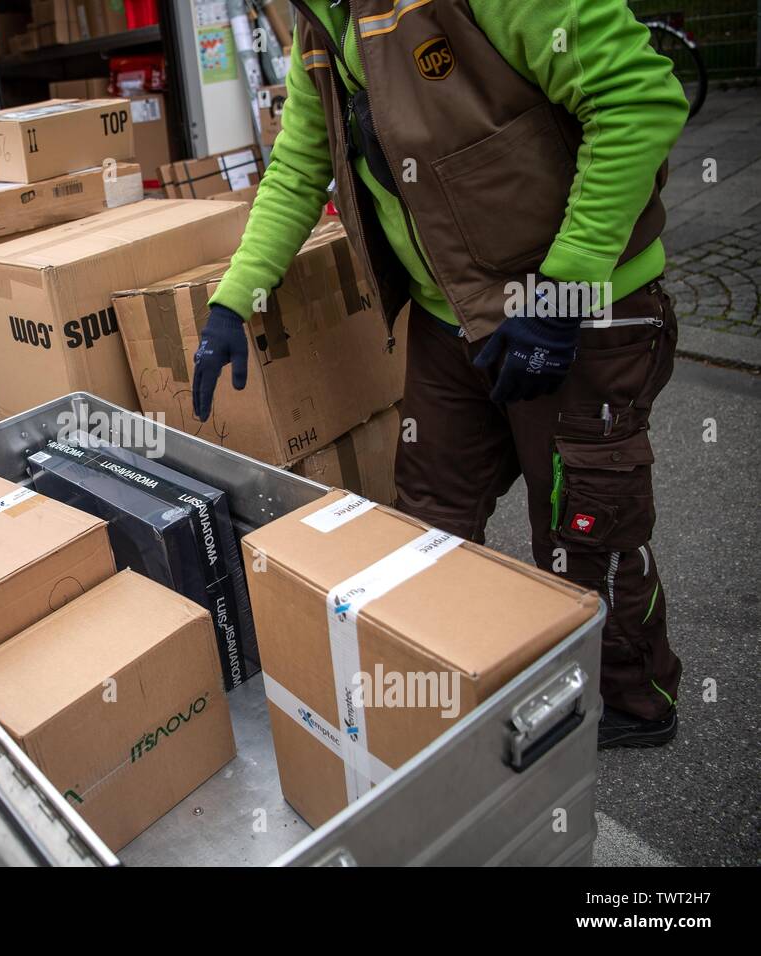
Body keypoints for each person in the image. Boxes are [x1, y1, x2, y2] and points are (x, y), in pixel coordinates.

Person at [192, 0, 687, 748]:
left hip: (582, 308)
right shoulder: (323, 24)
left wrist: (562, 292)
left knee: (584, 528)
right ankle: (451, 682)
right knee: (428, 521)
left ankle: (633, 700)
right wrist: (235, 299)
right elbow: (298, 165)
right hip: (450, 317)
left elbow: (639, 101)